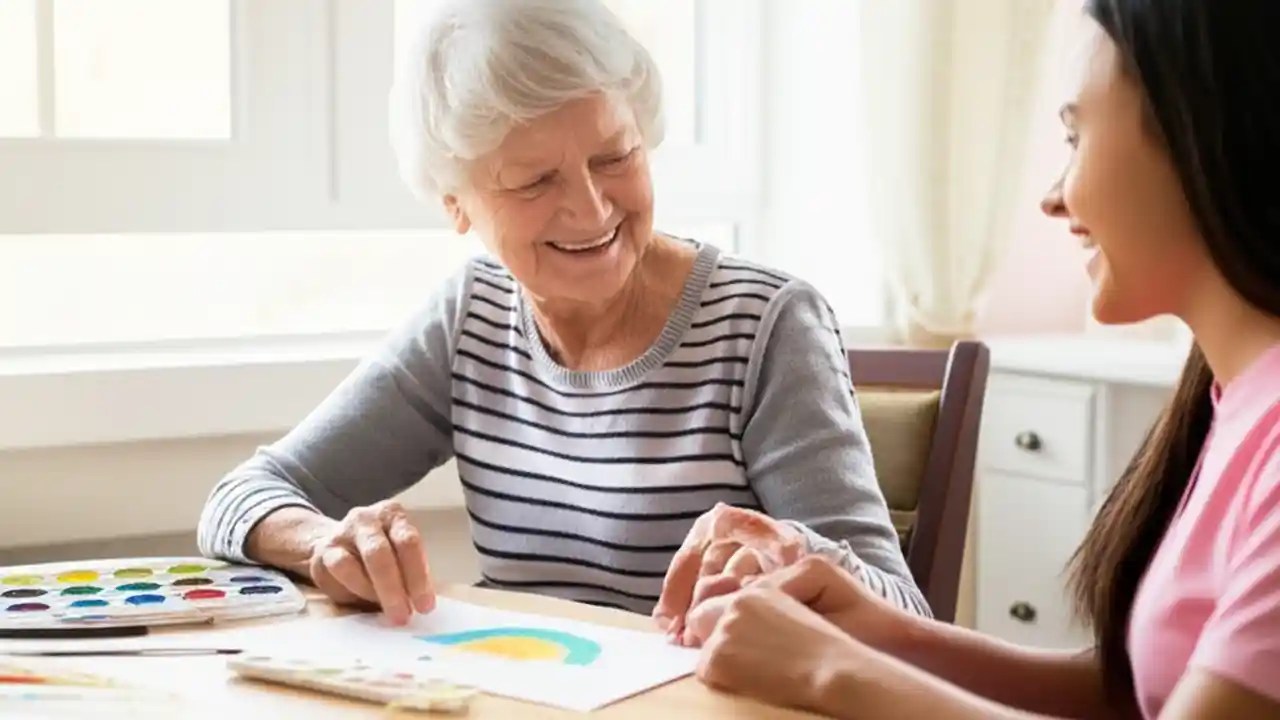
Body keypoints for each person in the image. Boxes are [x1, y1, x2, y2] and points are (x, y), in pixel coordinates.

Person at [196, 0, 926, 626]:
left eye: (615, 157)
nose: (591, 207)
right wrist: (325, 543)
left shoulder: (768, 326)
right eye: (535, 180)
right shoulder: (472, 318)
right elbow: (239, 500)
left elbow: (905, 615)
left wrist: (795, 557)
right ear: (456, 205)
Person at [678, 0, 1280, 718]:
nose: (1055, 197)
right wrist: (882, 634)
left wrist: (832, 671)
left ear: (1199, 132)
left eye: (1073, 137)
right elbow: (1137, 693)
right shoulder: (1235, 400)